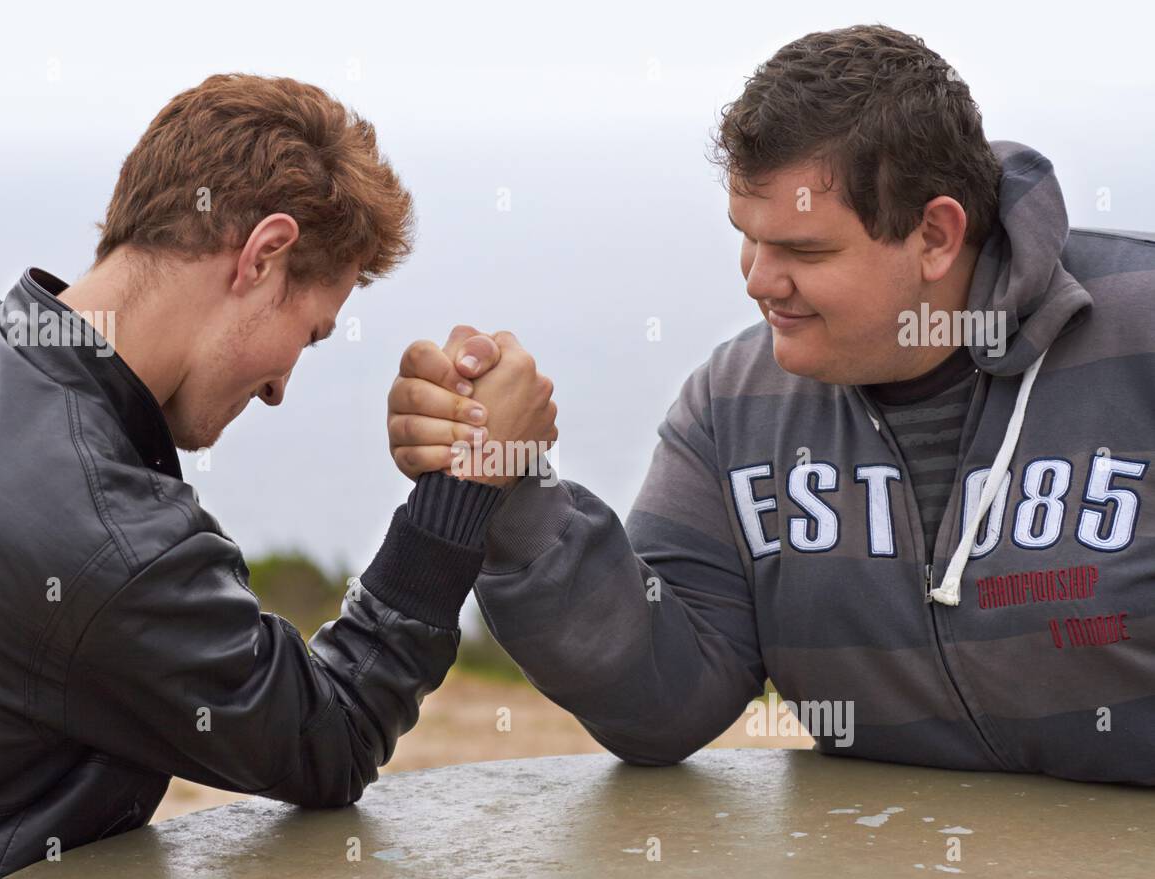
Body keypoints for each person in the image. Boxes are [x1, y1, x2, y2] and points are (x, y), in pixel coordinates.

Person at [0, 73, 555, 879]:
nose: (282, 387)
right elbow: (329, 737)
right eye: (310, 333)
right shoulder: (111, 539)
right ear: (262, 254)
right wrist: (465, 484)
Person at [389, 25, 1155, 785]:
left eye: (803, 250)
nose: (757, 279)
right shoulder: (733, 405)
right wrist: (513, 487)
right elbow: (659, 697)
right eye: (748, 238)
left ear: (935, 234)